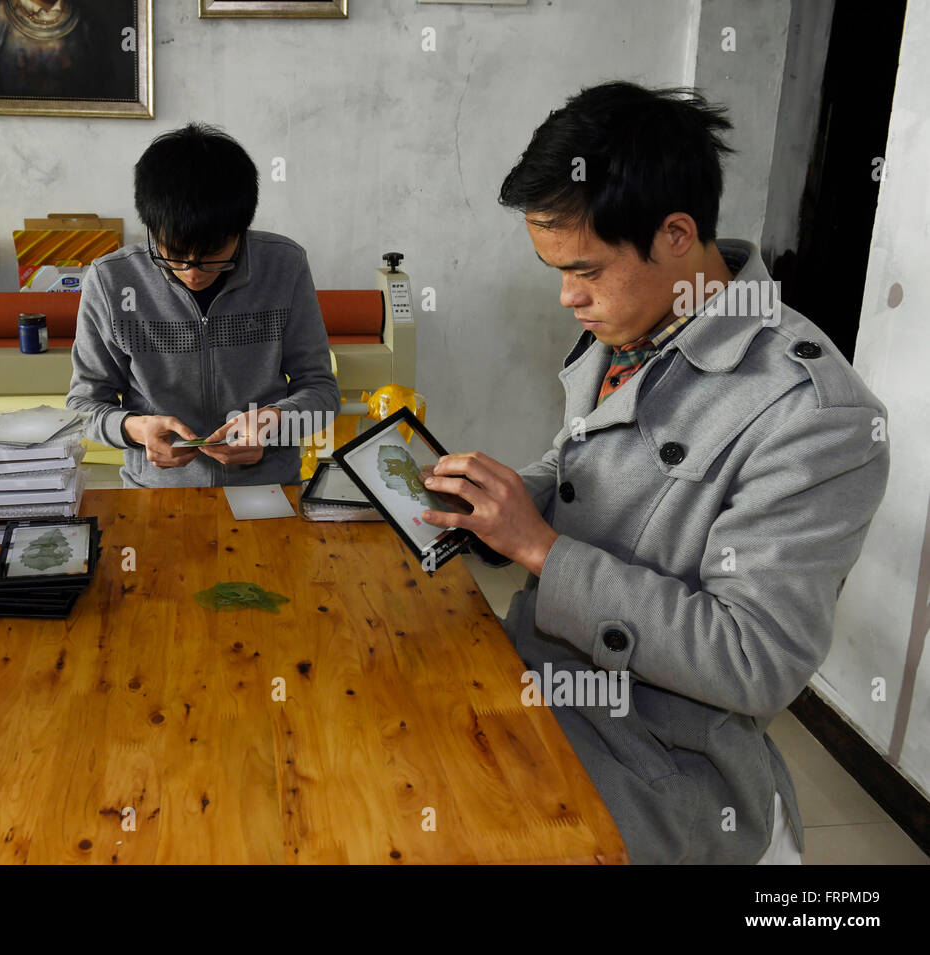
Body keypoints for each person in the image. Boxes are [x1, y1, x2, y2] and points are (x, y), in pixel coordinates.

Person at [420, 82, 890, 864]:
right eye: (556, 271)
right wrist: (496, 502)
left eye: (587, 271)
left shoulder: (813, 414)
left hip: (659, 754)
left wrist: (542, 550)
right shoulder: (638, 320)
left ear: (676, 235)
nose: (569, 297)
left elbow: (754, 659)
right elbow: (581, 464)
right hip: (542, 679)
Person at [66, 123, 341, 488]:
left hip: (271, 491)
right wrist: (135, 428)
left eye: (213, 255)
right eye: (174, 255)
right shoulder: (109, 280)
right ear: (151, 229)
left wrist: (275, 423)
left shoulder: (284, 266)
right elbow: (82, 409)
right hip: (156, 496)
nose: (192, 272)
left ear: (240, 231)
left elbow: (322, 391)